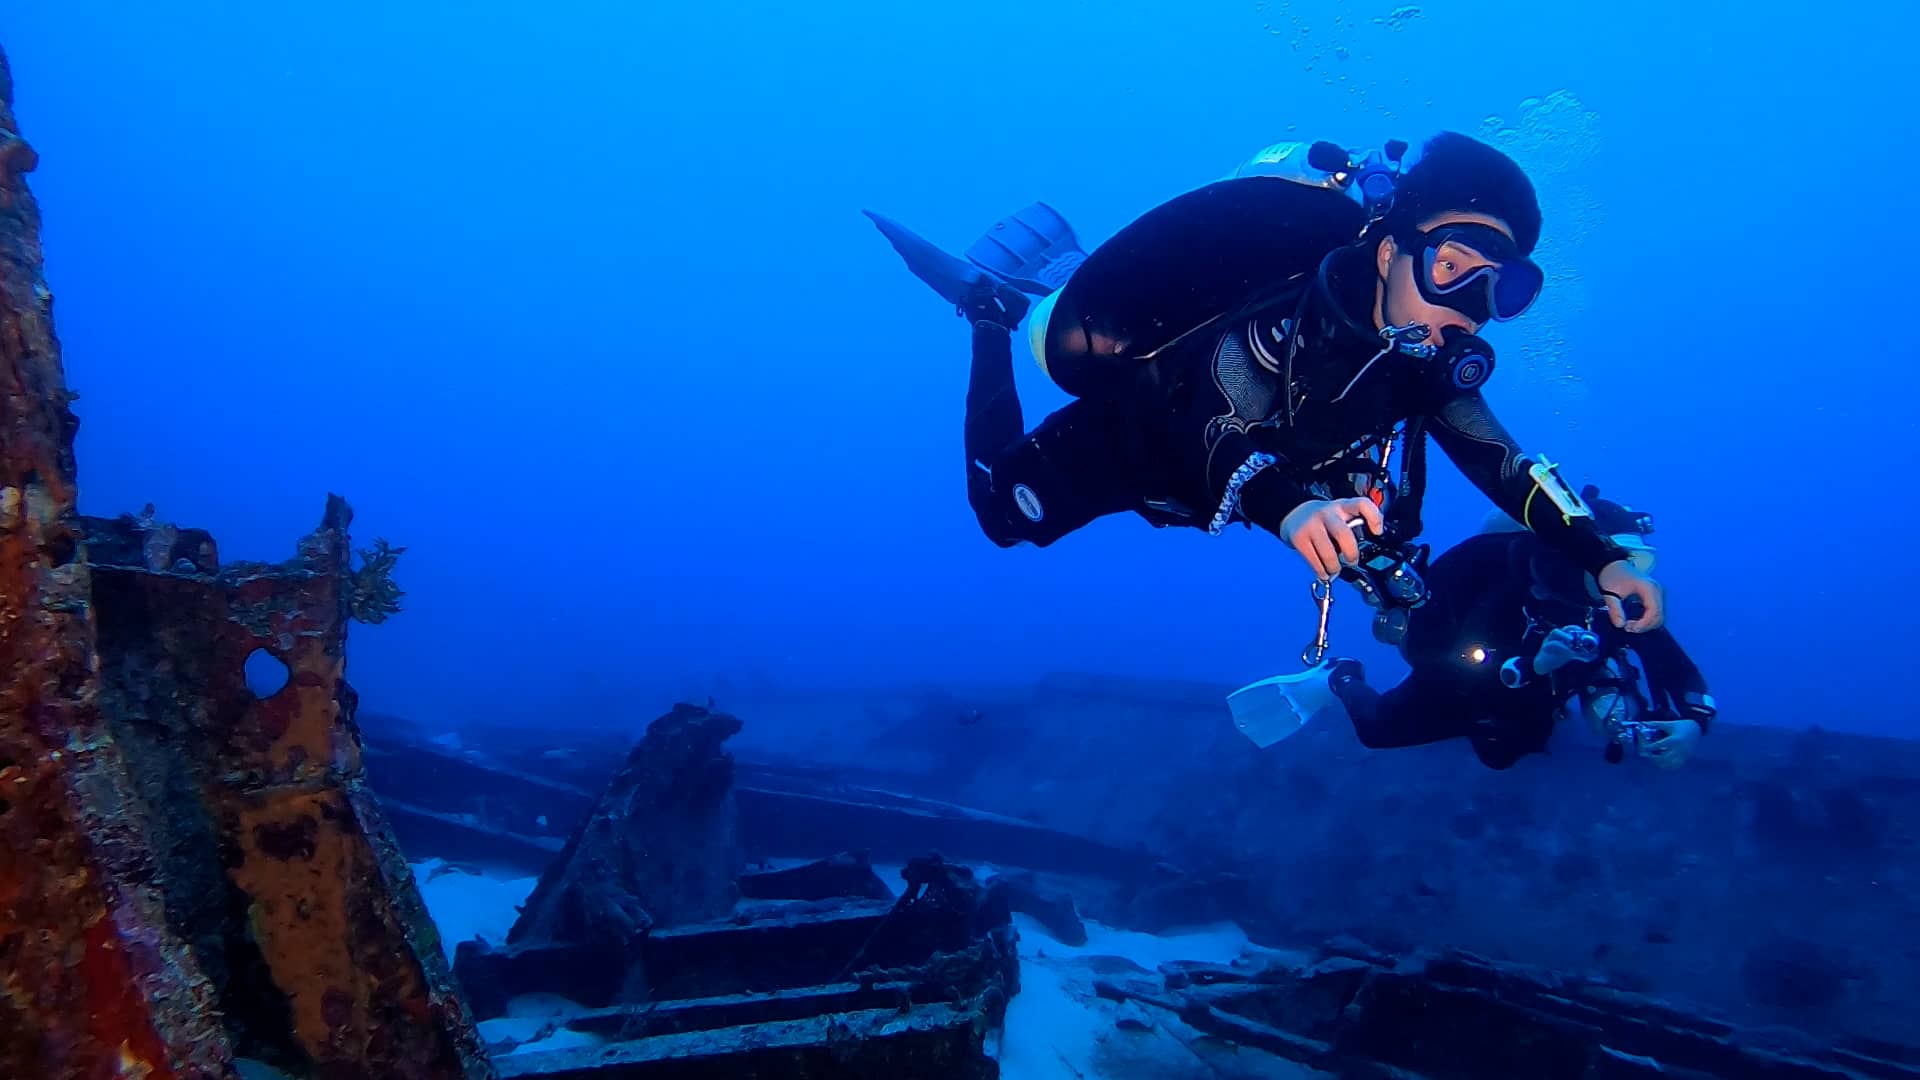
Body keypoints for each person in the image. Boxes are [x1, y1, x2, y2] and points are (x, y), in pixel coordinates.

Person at [866, 132, 1665, 633]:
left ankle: (1056, 276)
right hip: (1140, 431)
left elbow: (1505, 462)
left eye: (1500, 289)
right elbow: (1207, 409)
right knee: (1005, 519)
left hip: (1231, 480)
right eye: (1452, 267)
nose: (1470, 309)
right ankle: (989, 313)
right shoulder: (1298, 312)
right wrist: (1290, 507)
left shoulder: (1421, 365)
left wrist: (1600, 559)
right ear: (1389, 254)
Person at [1250, 490, 1717, 770]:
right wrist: (1531, 664)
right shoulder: (1493, 566)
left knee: (1506, 752)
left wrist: (1693, 725)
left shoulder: (1622, 601)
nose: (1628, 575)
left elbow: (1674, 665)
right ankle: (1340, 675)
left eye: (1639, 563)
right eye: (1618, 559)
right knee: (1377, 730)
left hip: (1531, 690)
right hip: (1457, 679)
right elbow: (1431, 654)